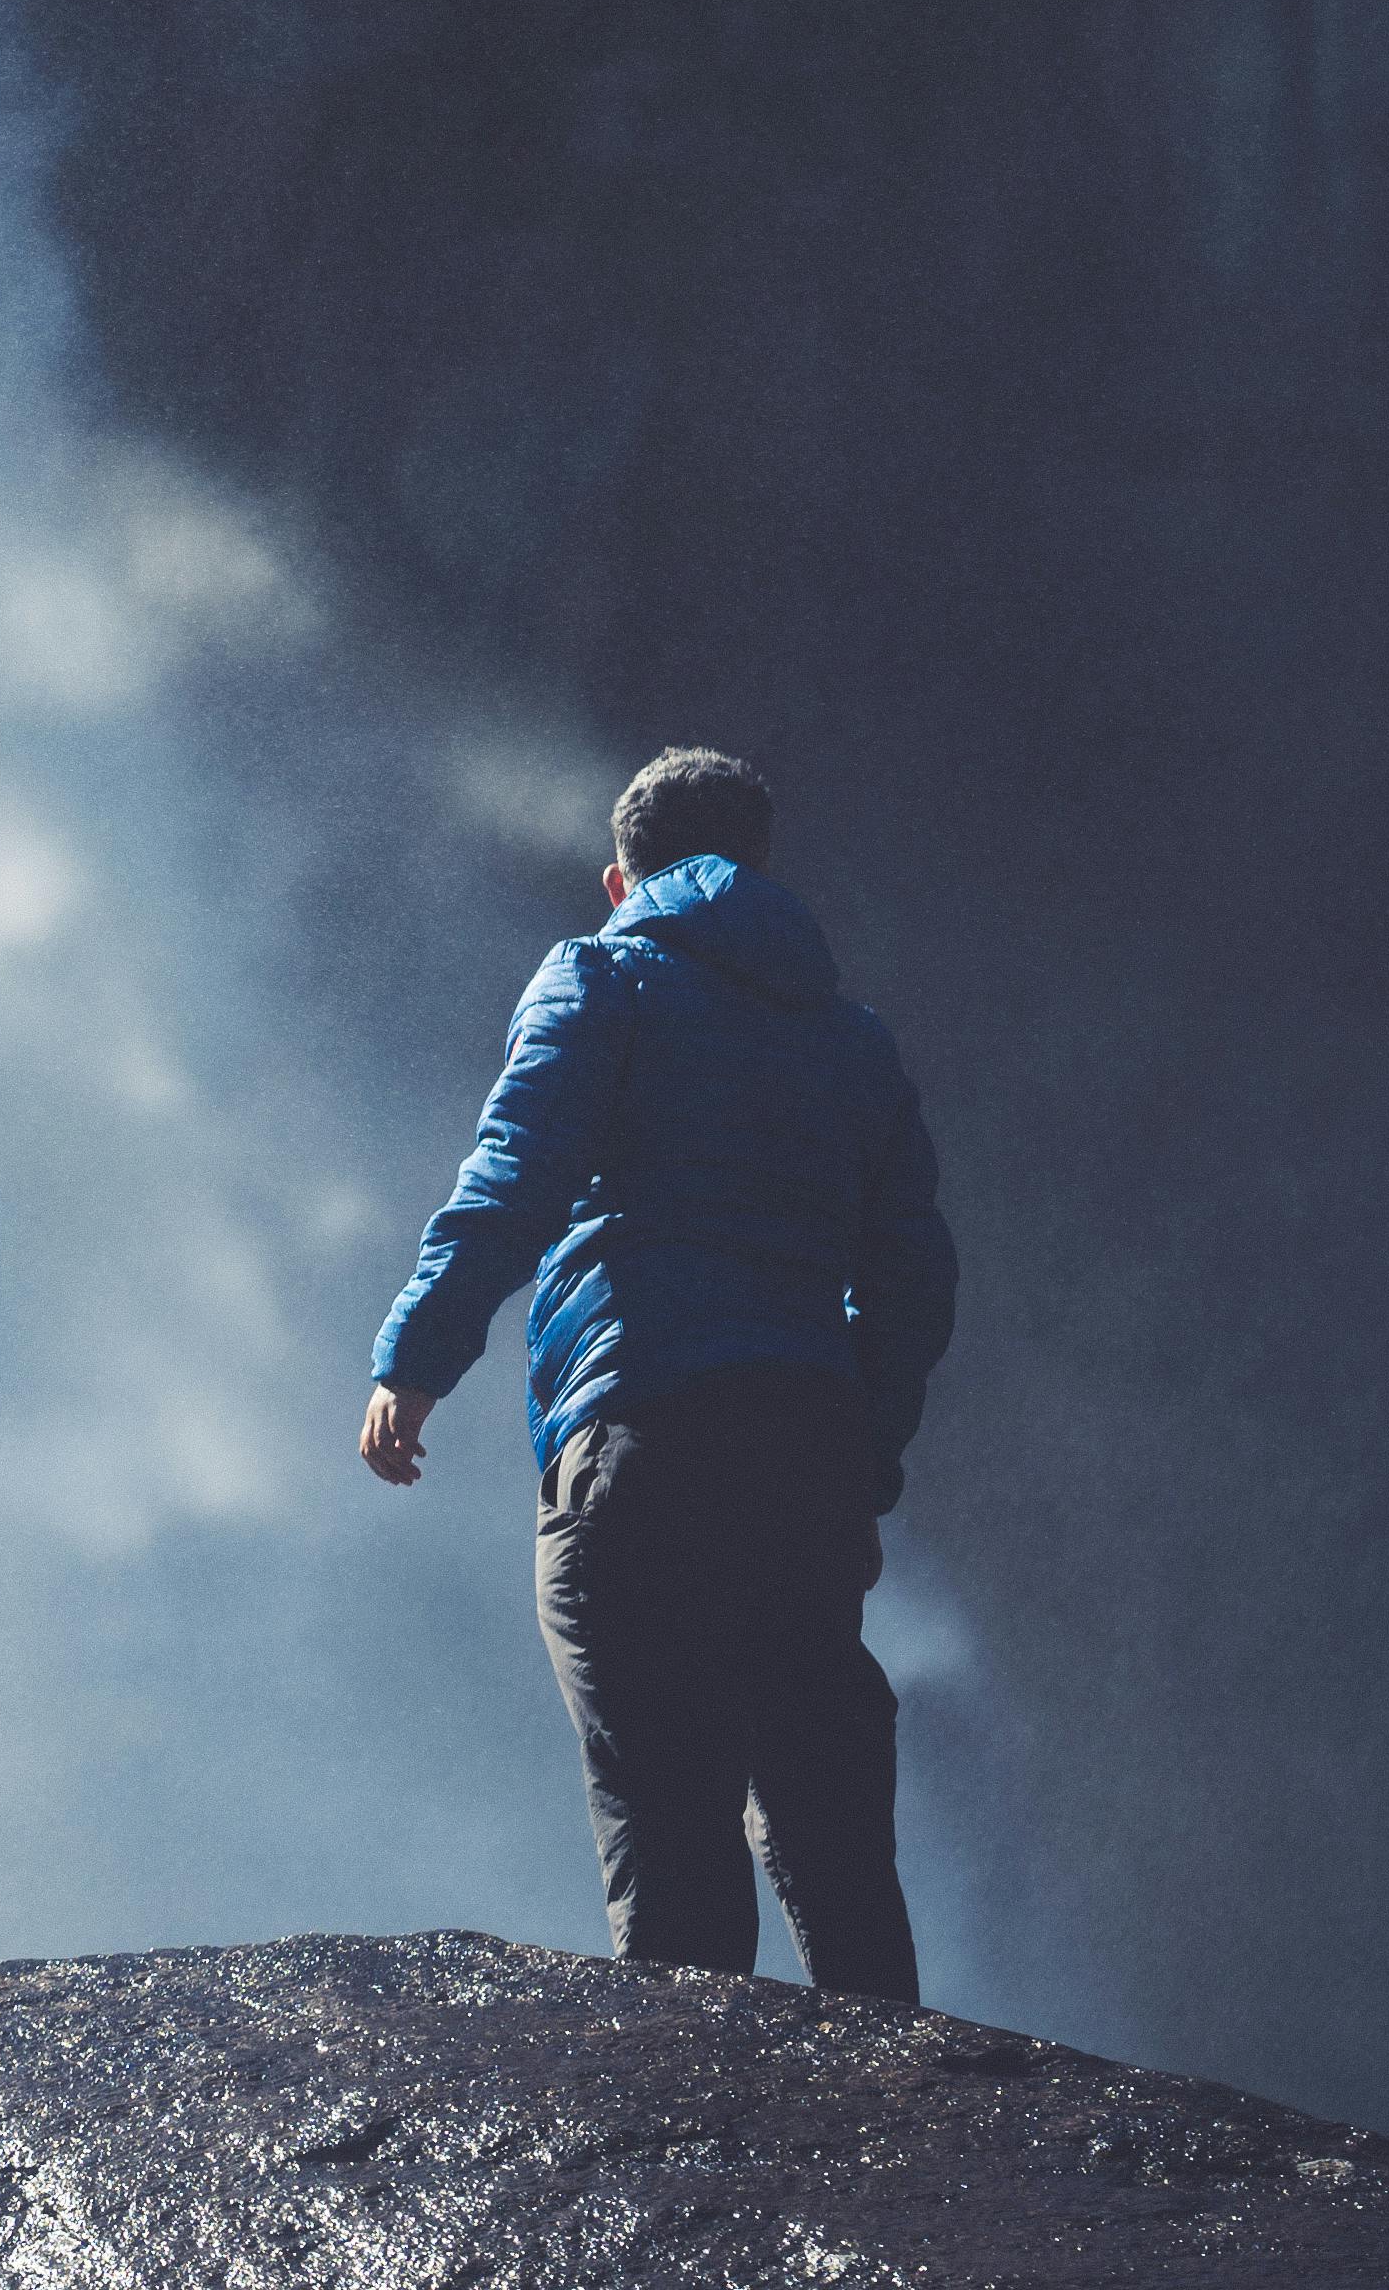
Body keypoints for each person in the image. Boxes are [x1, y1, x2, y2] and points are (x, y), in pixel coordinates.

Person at [357, 745, 955, 1999]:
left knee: (670, 1812)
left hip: (646, 1429)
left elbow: (514, 1174)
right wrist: (862, 1447)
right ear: (759, 864)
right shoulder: (855, 1043)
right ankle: (909, 2090)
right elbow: (912, 1277)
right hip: (808, 1450)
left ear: (619, 878)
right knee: (829, 1815)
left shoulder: (603, 976)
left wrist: (415, 1359)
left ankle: (696, 2117)